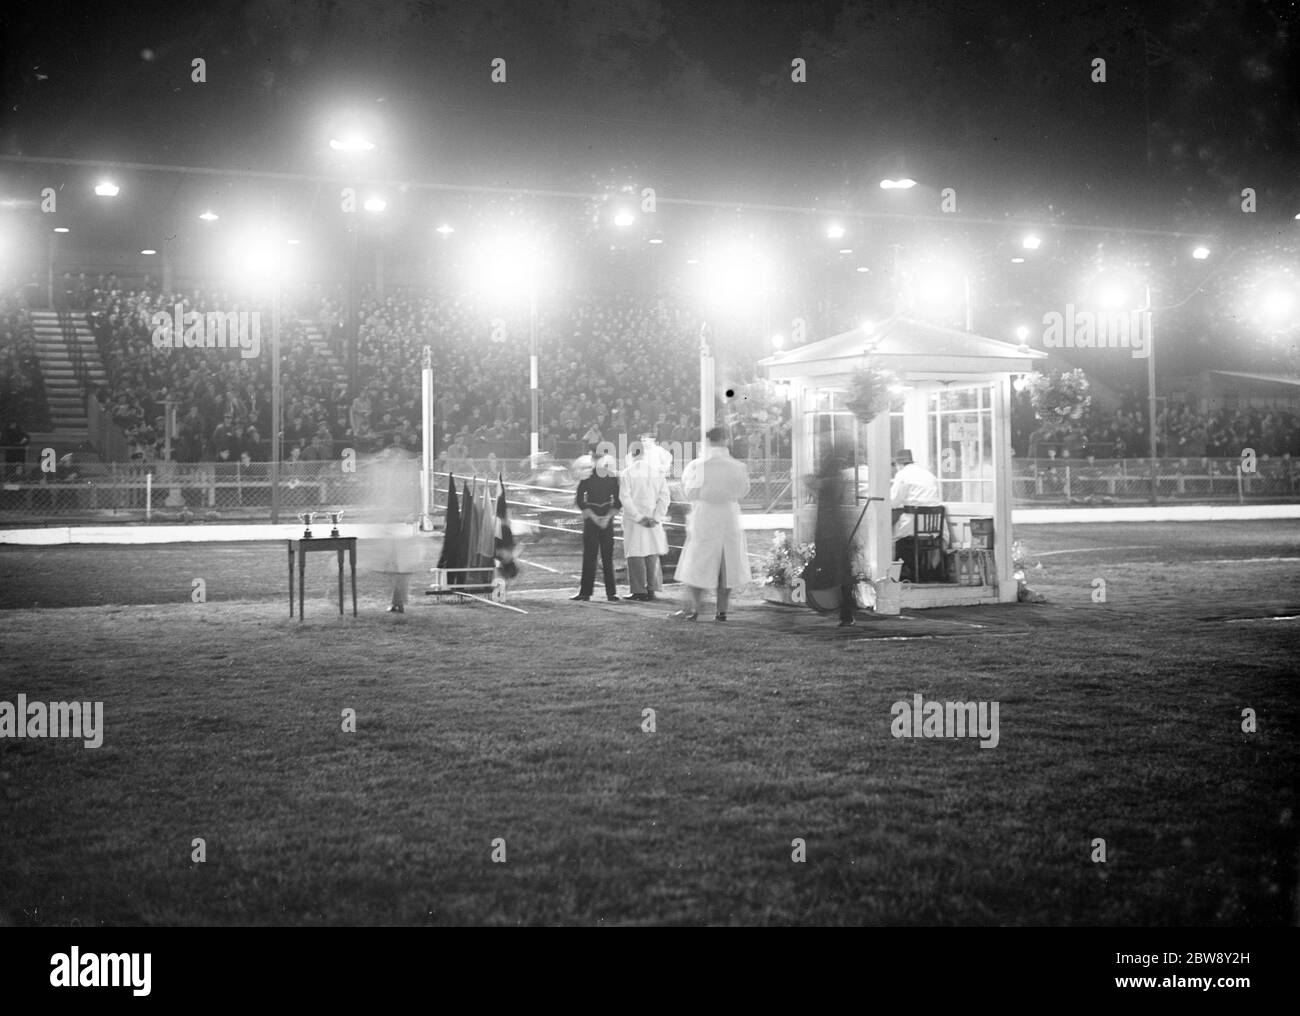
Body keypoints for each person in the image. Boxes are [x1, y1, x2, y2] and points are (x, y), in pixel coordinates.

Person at [671, 426, 750, 622]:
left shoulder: (699, 466)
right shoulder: (737, 467)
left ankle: (695, 610)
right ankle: (721, 611)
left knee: (698, 563)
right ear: (726, 440)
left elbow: (690, 492)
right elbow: (743, 491)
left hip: (705, 516)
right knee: (727, 565)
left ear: (707, 441)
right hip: (728, 516)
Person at [620, 434, 670, 602]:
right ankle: (652, 588)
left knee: (635, 554)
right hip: (652, 519)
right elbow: (665, 498)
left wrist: (638, 517)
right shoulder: (656, 472)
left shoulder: (627, 473)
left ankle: (638, 590)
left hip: (635, 521)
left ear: (630, 454)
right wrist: (656, 517)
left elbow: (625, 498)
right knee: (652, 553)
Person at [571, 453, 622, 602]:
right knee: (589, 556)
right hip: (595, 520)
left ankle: (610, 593)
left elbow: (618, 502)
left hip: (603, 519)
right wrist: (599, 518)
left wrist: (605, 518)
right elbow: (580, 500)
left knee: (606, 557)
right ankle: (585, 593)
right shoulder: (586, 477)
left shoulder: (612, 478)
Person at [889, 448, 942, 579]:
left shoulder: (902, 475)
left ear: (899, 464)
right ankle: (919, 571)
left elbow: (893, 501)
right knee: (903, 528)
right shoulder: (929, 475)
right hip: (933, 527)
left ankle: (893, 574)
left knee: (889, 537)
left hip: (912, 525)